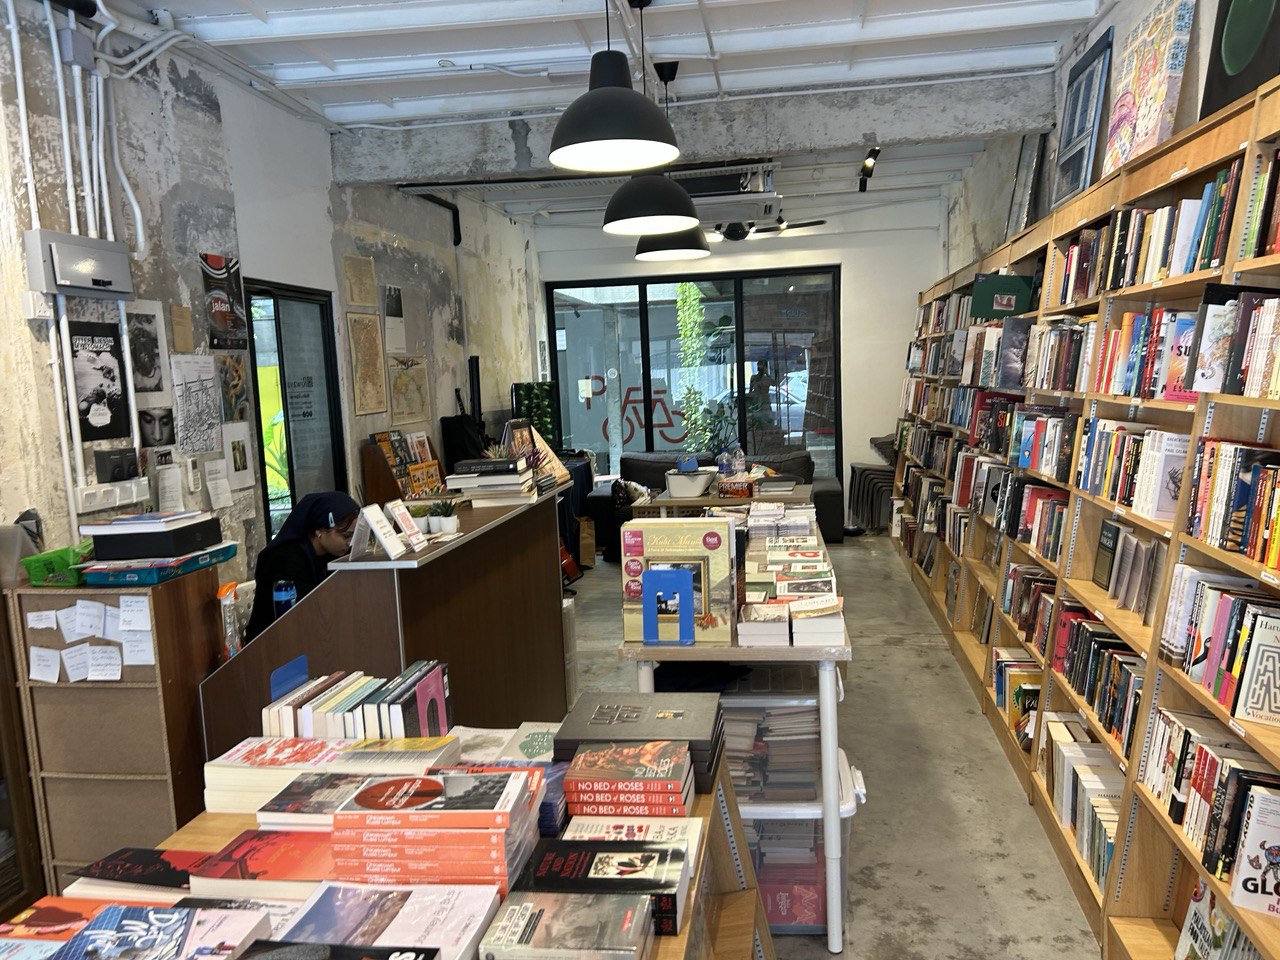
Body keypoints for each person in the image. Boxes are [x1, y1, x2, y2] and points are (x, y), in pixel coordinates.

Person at [245, 492, 361, 642]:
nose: (350, 542)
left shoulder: (330, 552)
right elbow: (301, 615)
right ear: (319, 530)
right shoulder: (286, 561)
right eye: (346, 536)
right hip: (272, 643)